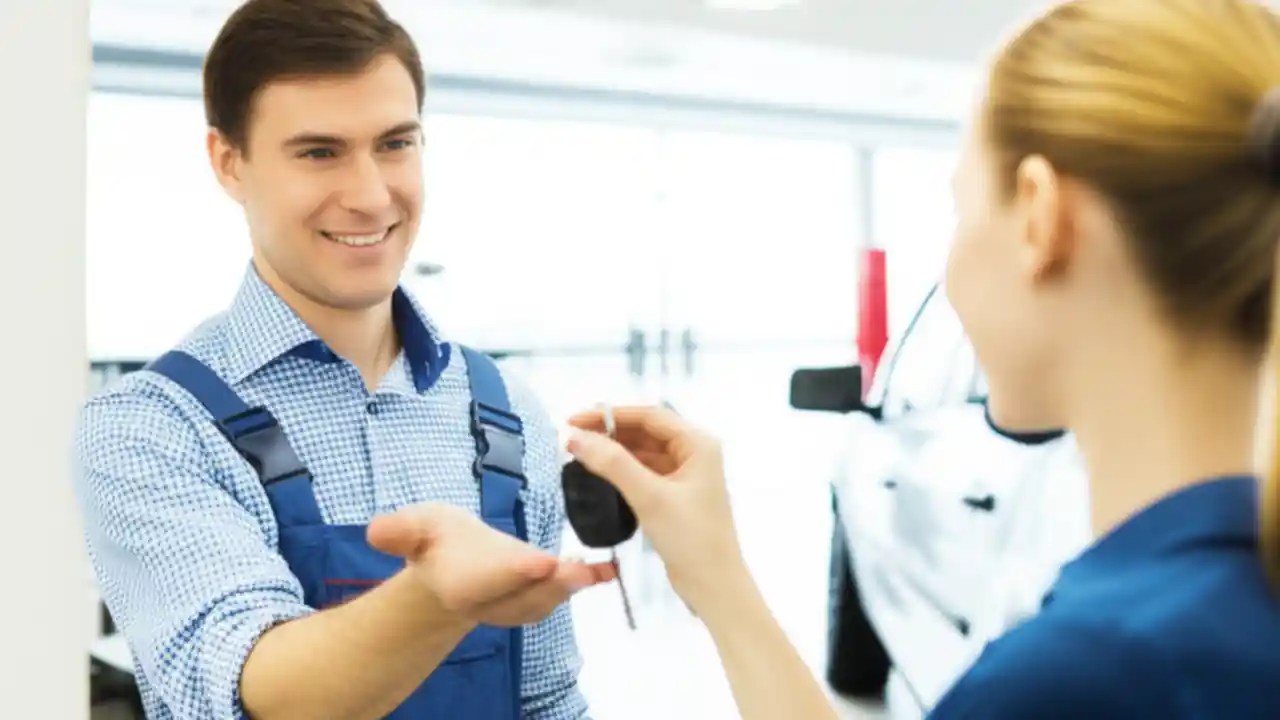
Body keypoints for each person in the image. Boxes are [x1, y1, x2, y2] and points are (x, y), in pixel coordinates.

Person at [562, 0, 1280, 717]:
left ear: (1040, 215)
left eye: (962, 209)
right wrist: (719, 580)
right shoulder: (1222, 605)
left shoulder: (1085, 674)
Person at [71, 1, 614, 719]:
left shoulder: (507, 411)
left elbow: (547, 701)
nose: (369, 195)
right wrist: (435, 596)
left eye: (395, 144)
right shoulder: (148, 431)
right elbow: (260, 692)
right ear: (228, 162)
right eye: (319, 152)